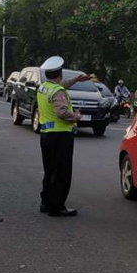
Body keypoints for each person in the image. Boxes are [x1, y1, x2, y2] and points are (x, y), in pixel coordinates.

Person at [37, 56, 91, 217]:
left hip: (46, 135)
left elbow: (62, 86)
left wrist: (77, 79)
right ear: (59, 74)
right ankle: (57, 206)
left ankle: (46, 202)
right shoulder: (58, 91)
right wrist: (76, 116)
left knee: (50, 170)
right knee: (61, 172)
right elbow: (61, 112)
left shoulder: (44, 88)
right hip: (60, 136)